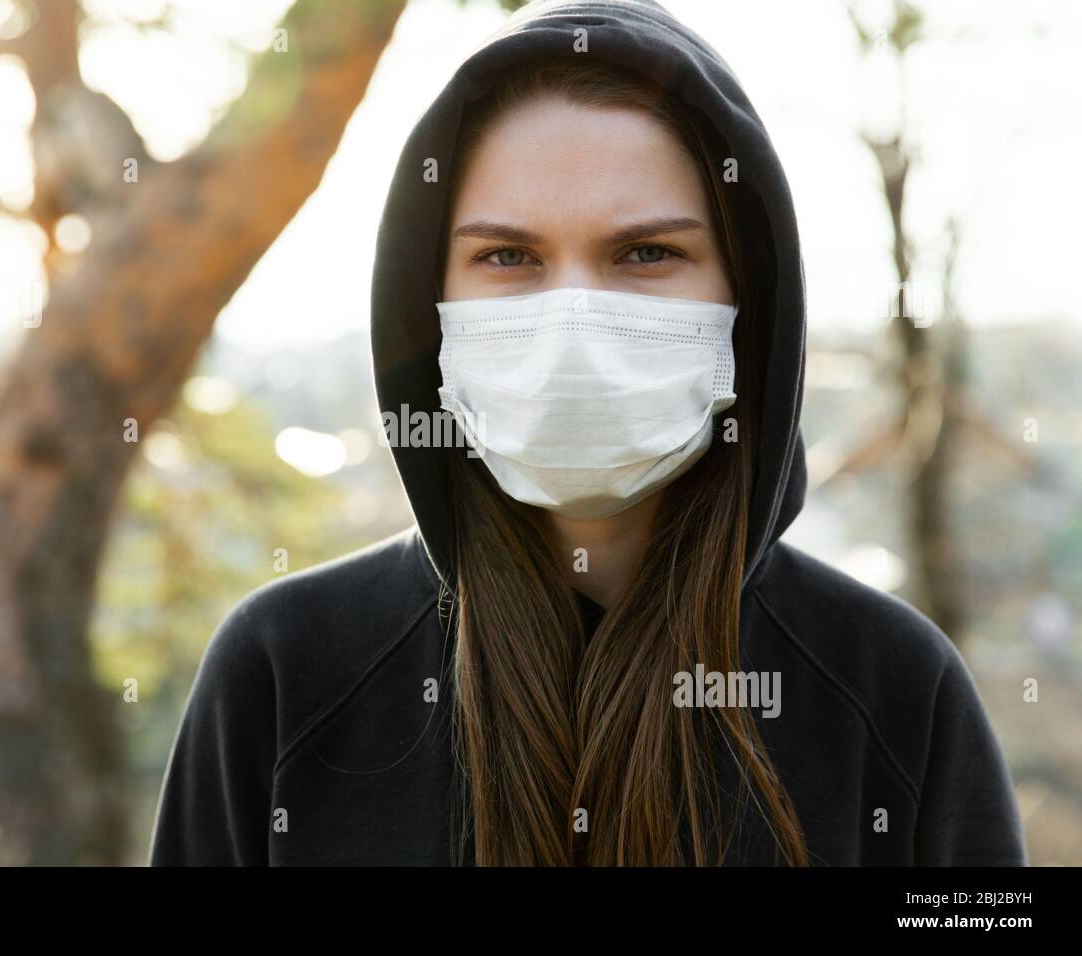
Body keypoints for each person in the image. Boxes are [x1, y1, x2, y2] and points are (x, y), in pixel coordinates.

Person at [149, 0, 1027, 866]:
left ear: (746, 302)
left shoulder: (894, 689)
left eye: (646, 253)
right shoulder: (283, 674)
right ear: (430, 302)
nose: (572, 326)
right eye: (507, 257)